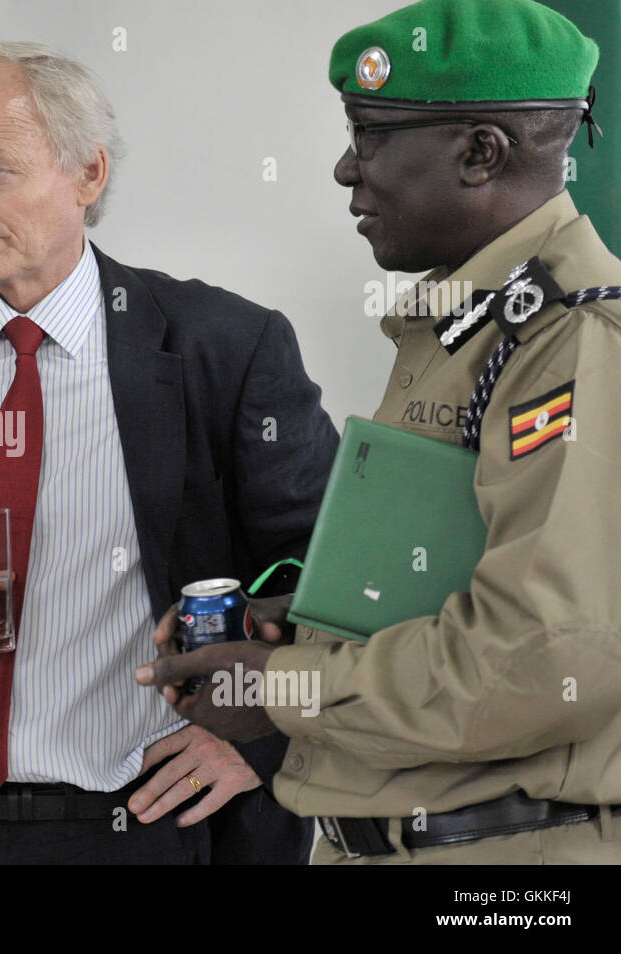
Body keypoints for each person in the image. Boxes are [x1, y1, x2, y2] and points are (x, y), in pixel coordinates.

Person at [0, 40, 339, 864]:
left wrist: (262, 744)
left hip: (157, 823)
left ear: (88, 174)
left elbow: (326, 581)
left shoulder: (224, 348)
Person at [139, 0, 621, 863]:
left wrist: (279, 688)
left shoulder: (573, 344)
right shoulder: (475, 328)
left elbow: (539, 663)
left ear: (481, 153)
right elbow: (459, 582)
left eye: (369, 134)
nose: (343, 169)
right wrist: (312, 627)